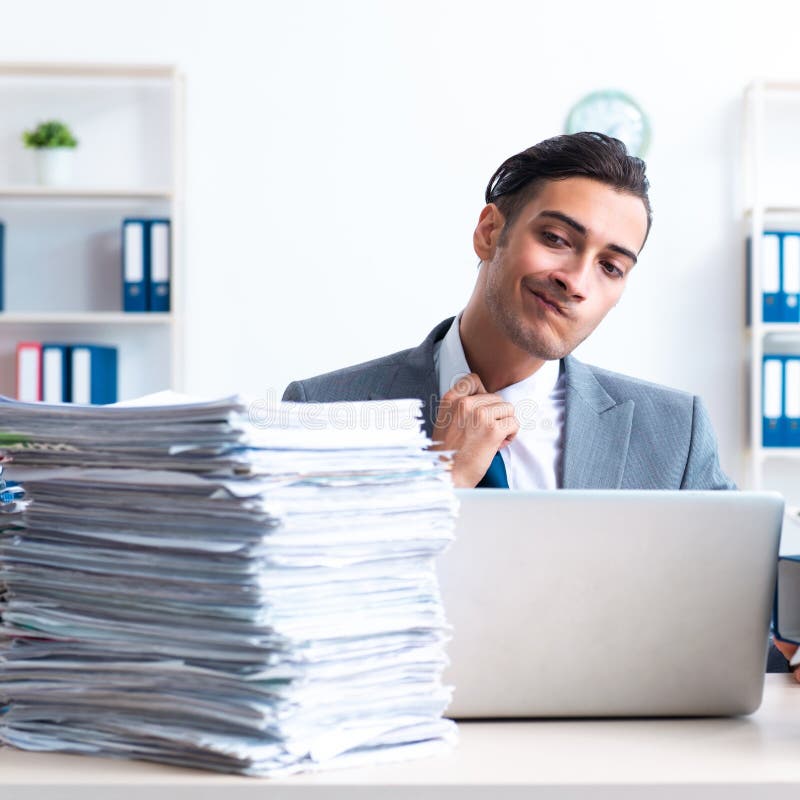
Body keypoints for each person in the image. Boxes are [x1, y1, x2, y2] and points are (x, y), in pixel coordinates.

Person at [282, 131, 793, 672]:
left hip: (604, 748)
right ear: (489, 232)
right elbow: (284, 619)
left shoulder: (672, 433)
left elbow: (742, 638)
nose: (576, 281)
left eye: (610, 266)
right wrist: (439, 483)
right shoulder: (322, 413)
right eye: (556, 238)